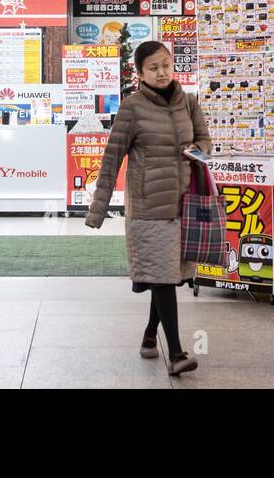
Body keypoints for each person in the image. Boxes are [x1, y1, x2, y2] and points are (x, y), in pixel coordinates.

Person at [85, 41, 210, 376]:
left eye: (166, 65)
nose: (162, 72)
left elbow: (206, 142)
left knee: (166, 277)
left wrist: (195, 150)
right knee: (163, 277)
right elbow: (111, 160)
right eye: (153, 67)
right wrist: (98, 209)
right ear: (139, 73)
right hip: (147, 209)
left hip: (183, 203)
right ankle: (179, 353)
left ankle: (149, 336)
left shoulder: (189, 103)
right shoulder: (132, 108)